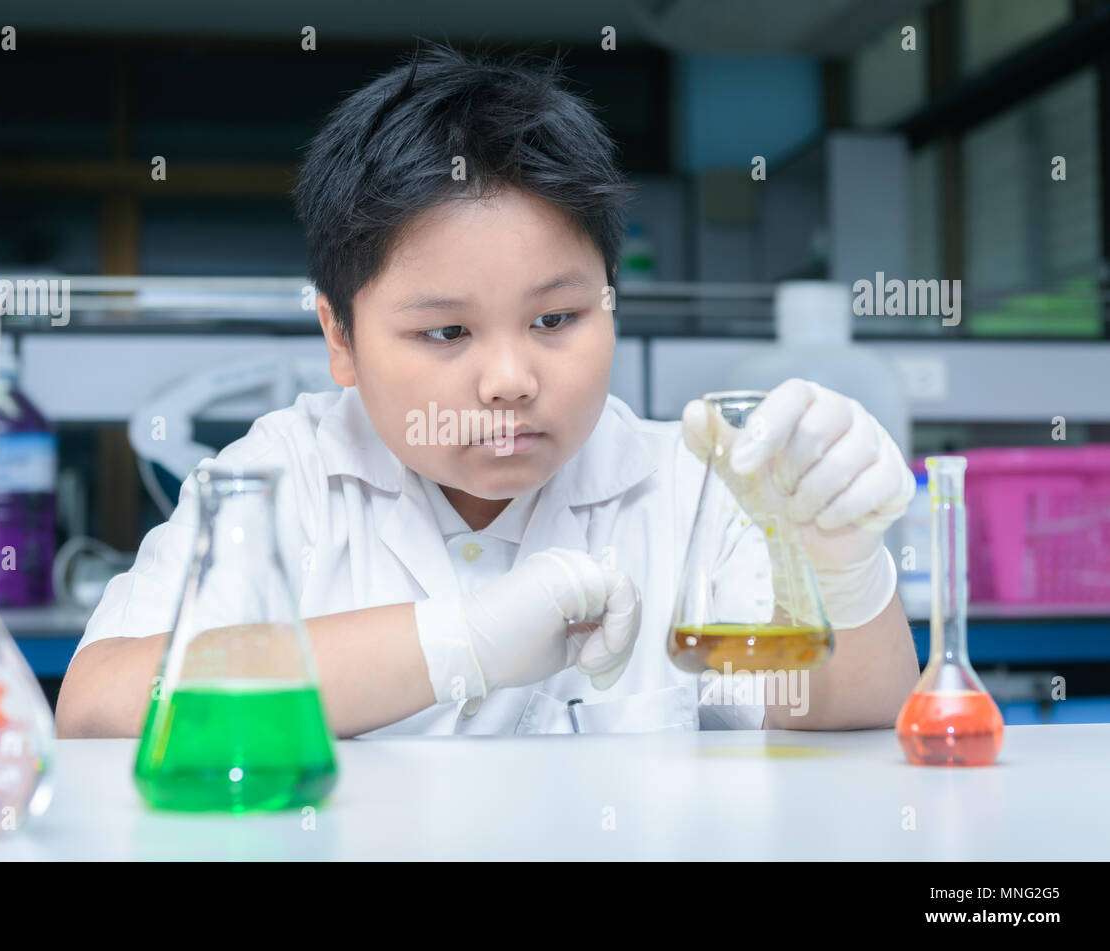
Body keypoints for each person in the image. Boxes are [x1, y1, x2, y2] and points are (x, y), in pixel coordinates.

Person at [55, 44, 919, 739]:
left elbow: (850, 714)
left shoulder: (693, 487)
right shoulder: (287, 477)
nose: (511, 380)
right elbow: (98, 705)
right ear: (340, 339)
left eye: (556, 319)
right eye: (446, 332)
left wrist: (844, 570)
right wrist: (452, 643)